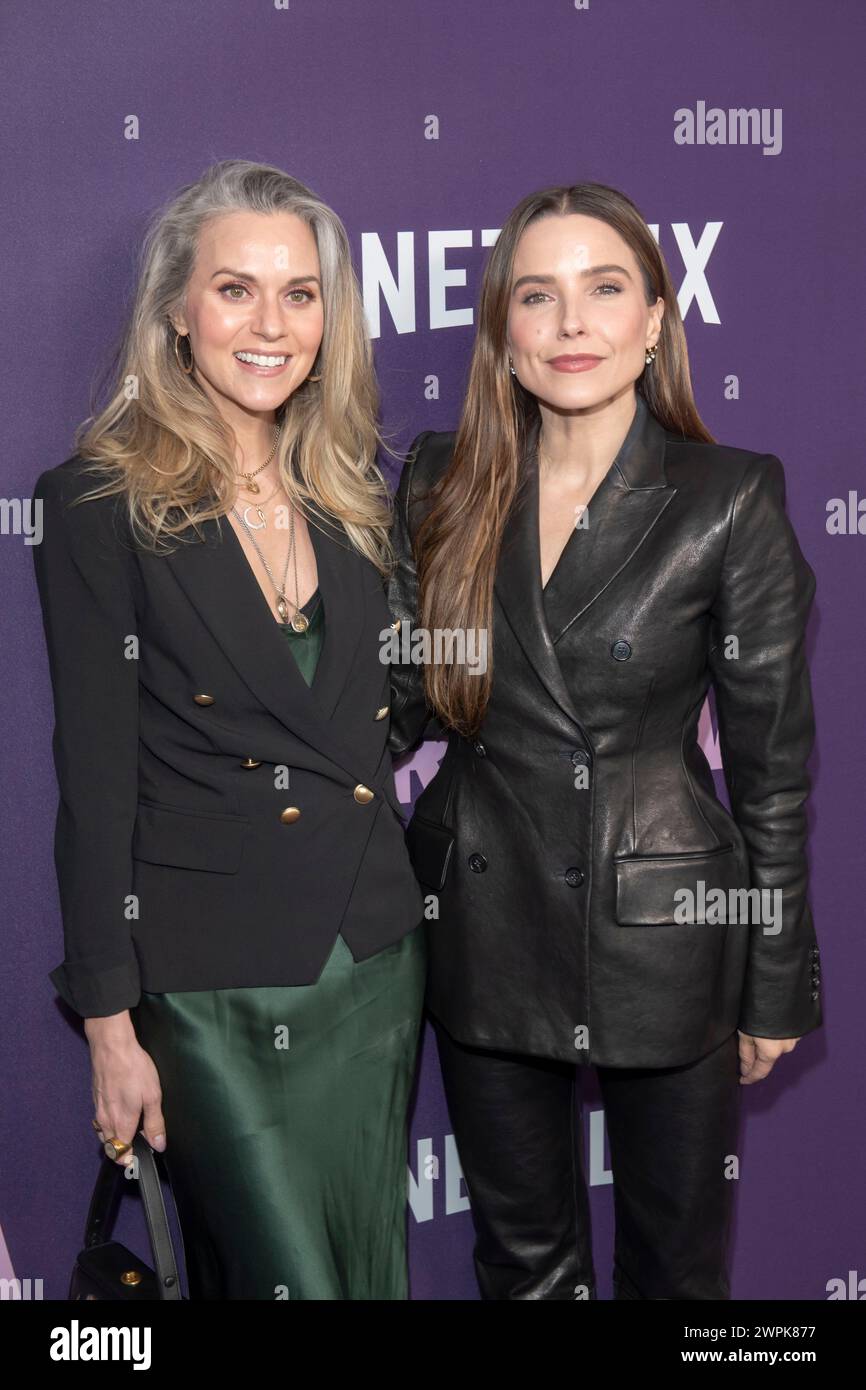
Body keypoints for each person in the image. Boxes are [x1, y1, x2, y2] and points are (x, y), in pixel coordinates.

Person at [387, 182, 821, 1300]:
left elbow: (771, 772)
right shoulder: (441, 480)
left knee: (674, 1276)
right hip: (481, 917)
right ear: (503, 333)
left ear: (653, 322)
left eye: (603, 289)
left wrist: (773, 978)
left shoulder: (726, 497)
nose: (571, 323)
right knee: (521, 1267)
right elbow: (392, 702)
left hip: (667, 931)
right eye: (538, 295)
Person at [33, 158, 427, 1300]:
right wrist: (110, 1026)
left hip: (370, 961)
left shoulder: (348, 485)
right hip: (216, 983)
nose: (271, 324)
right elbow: (96, 779)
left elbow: (374, 717)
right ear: (176, 311)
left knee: (365, 1276)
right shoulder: (97, 502)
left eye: (299, 293)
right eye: (235, 289)